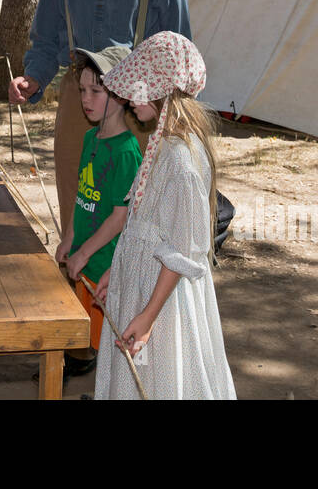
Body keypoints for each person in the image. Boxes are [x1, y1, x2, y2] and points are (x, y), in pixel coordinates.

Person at [9, 0, 192, 234]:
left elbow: (178, 51)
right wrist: (33, 78)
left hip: (139, 104)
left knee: (135, 213)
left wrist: (163, 111)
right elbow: (46, 38)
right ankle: (77, 283)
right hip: (80, 96)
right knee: (77, 202)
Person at [93, 31, 236, 400]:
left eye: (136, 89)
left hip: (163, 300)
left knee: (164, 380)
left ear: (161, 89)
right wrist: (117, 270)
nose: (126, 99)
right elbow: (144, 223)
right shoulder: (162, 145)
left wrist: (148, 317)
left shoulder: (180, 160)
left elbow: (182, 248)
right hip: (140, 283)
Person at [54, 45, 142, 381]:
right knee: (91, 340)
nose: (85, 99)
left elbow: (119, 216)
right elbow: (83, 196)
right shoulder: (91, 137)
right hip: (85, 260)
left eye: (96, 91)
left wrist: (86, 252)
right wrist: (70, 239)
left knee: (113, 349)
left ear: (121, 95)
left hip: (107, 269)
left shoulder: (125, 153)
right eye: (82, 91)